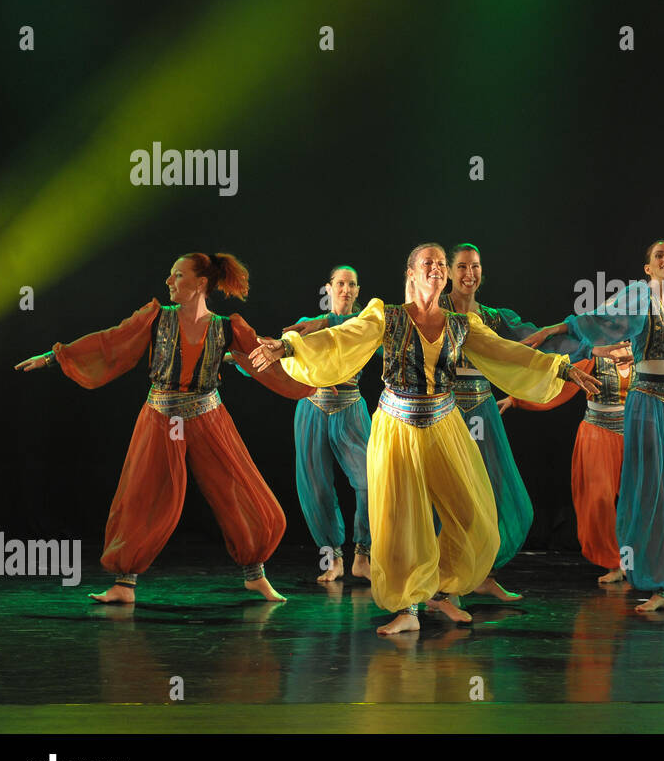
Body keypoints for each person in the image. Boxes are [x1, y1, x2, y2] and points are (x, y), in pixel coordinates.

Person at [248, 243, 600, 634]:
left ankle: (442, 592)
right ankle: (408, 610)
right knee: (404, 522)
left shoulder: (460, 325)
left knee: (476, 518)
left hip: (444, 424)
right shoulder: (387, 315)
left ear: (445, 275)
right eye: (426, 263)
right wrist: (288, 346)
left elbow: (508, 352)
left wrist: (562, 370)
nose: (434, 268)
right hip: (396, 428)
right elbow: (341, 338)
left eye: (438, 263)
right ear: (411, 274)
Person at [15, 252, 314, 603]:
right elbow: (111, 340)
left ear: (200, 284)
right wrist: (55, 357)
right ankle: (124, 584)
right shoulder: (157, 318)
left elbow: (267, 359)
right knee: (143, 493)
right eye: (171, 276)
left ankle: (255, 575)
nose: (169, 282)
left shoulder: (228, 327)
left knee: (240, 489)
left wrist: (315, 378)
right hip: (161, 416)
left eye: (178, 276)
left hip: (208, 416)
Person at [525, 240, 664, 611]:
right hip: (648, 402)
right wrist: (555, 329)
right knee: (654, 491)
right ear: (647, 268)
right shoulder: (638, 296)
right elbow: (596, 320)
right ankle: (661, 586)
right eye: (659, 255)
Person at [438, 243, 550, 601]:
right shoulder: (433, 312)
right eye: (462, 267)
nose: (469, 274)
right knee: (453, 496)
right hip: (446, 412)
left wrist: (581, 338)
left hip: (483, 411)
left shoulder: (495, 317)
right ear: (449, 273)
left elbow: (532, 340)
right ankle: (448, 582)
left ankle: (485, 574)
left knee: (500, 495)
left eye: (475, 267)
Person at [277, 265, 374, 583]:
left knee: (371, 483)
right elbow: (284, 355)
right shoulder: (308, 326)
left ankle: (364, 555)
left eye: (352, 284)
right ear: (328, 288)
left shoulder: (364, 326)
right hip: (312, 409)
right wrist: (246, 356)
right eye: (340, 283)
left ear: (358, 291)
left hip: (351, 409)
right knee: (316, 488)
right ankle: (332, 559)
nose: (346, 289)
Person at [509, 350, 635, 584]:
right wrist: (517, 399)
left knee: (637, 501)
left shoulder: (641, 351)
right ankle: (612, 562)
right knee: (599, 499)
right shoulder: (595, 356)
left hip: (635, 434)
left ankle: (635, 562)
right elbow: (559, 386)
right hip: (598, 432)